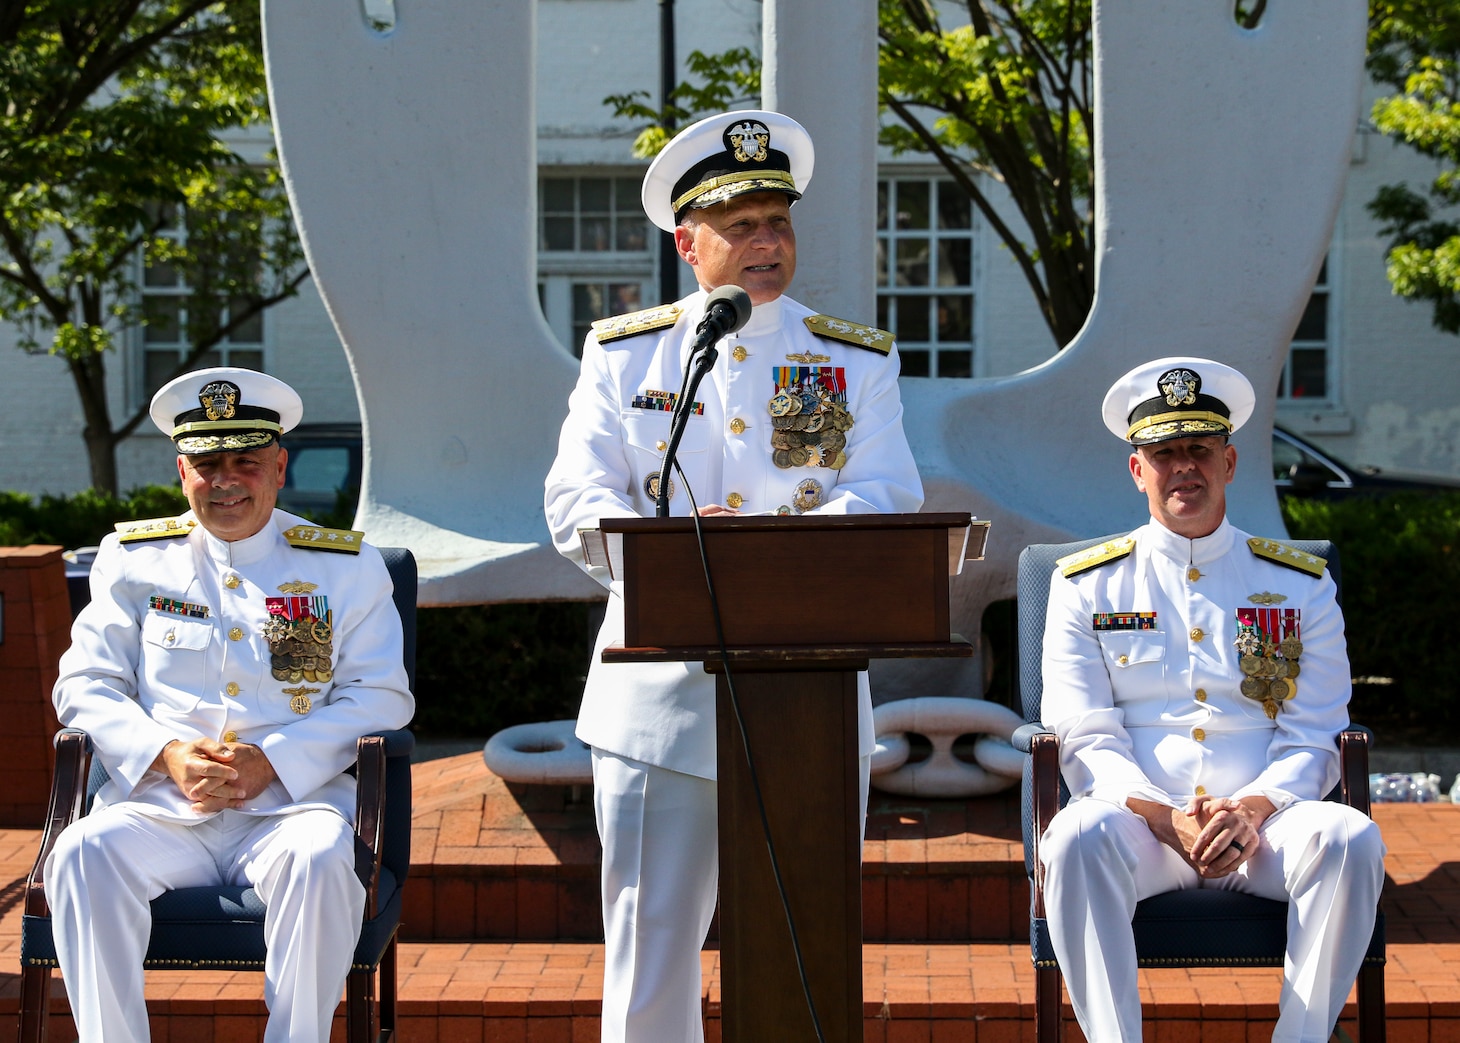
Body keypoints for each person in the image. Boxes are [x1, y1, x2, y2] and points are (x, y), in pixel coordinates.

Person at [543, 109, 923, 1042]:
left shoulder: (852, 360)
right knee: (651, 949)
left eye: (778, 222)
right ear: (688, 242)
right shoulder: (625, 353)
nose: (767, 242)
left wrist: (769, 548)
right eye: (741, 225)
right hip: (656, 702)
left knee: (807, 940)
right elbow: (573, 499)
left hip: (814, 705)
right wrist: (672, 540)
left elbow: (886, 493)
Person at [45, 367, 415, 1043]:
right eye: (208, 463)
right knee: (80, 852)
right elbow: (83, 684)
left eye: (246, 461)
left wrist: (270, 761)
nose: (226, 480)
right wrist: (167, 753)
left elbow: (382, 696)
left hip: (289, 810)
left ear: (279, 467)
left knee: (322, 858)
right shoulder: (133, 561)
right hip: (160, 805)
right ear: (181, 470)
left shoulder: (342, 566)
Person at [1038, 357, 1386, 1043]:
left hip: (1265, 832)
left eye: (1199, 449)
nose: (1184, 468)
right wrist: (1170, 819)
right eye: (1164, 453)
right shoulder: (1085, 585)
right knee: (1074, 835)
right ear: (1138, 471)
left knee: (1352, 837)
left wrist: (1249, 811)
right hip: (1143, 830)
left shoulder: (1299, 585)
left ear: (1229, 462)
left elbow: (1317, 728)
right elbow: (1083, 731)